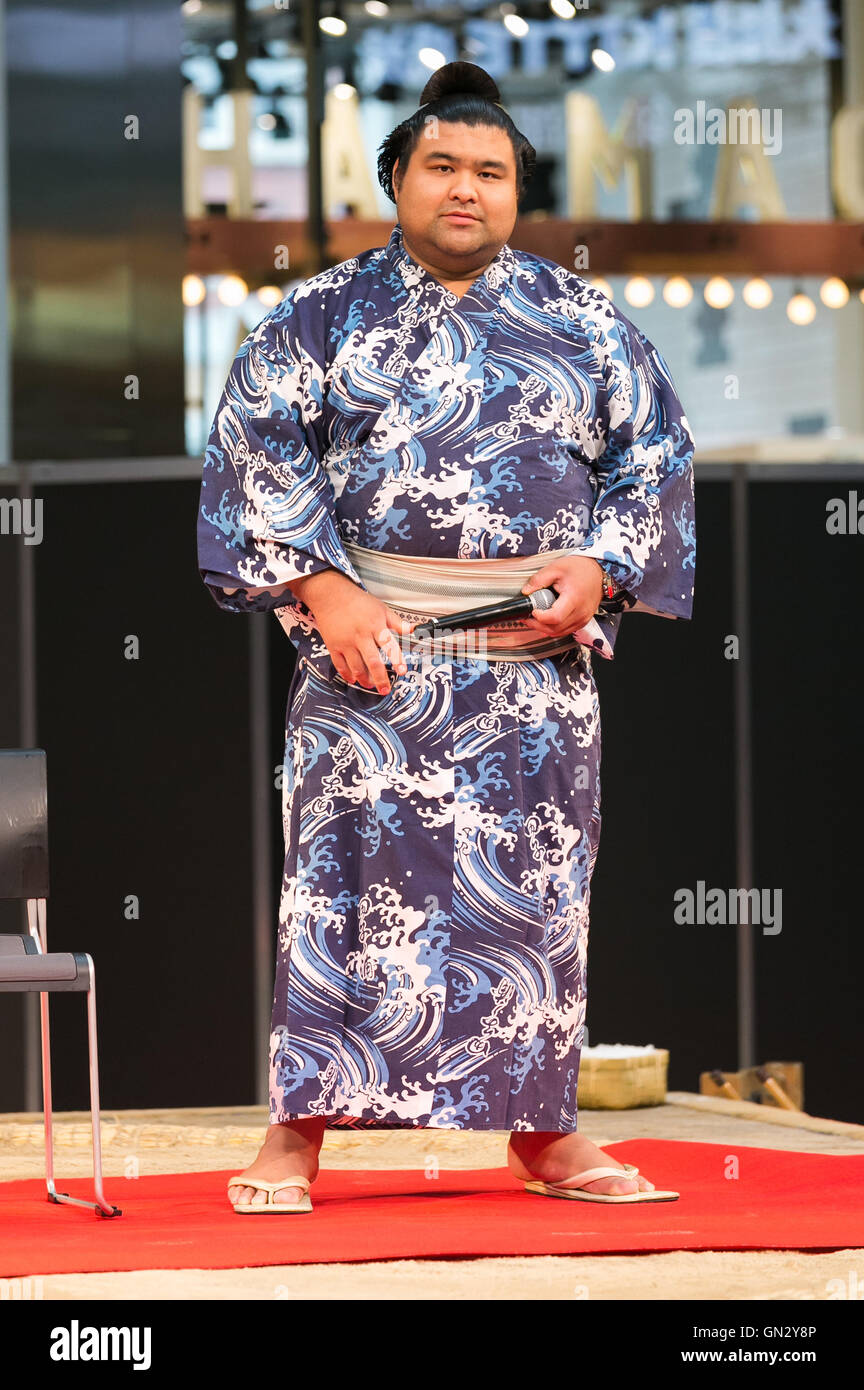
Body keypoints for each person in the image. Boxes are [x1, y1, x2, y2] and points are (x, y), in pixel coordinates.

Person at [197, 62, 696, 1213]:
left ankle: (544, 1133)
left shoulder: (583, 321)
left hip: (532, 670)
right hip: (373, 664)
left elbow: (652, 464)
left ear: (516, 193)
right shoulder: (315, 316)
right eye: (441, 166)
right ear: (396, 181)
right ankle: (295, 1133)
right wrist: (323, 590)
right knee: (335, 901)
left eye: (490, 172)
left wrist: (602, 565)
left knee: (534, 908)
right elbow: (255, 460)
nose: (464, 189)